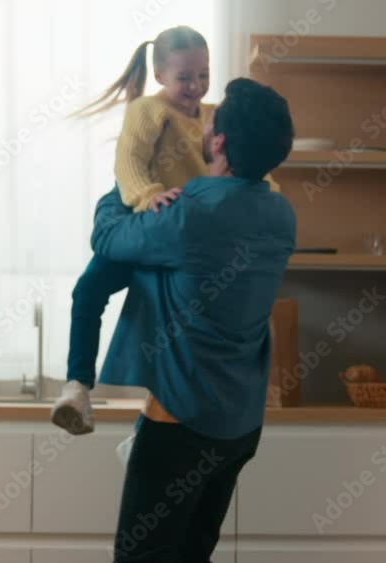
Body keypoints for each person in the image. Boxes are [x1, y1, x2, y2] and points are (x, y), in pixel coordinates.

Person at [92, 78, 296, 563]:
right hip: (239, 426)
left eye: (210, 119)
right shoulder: (281, 213)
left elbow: (108, 239)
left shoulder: (191, 214)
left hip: (180, 422)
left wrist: (124, 184)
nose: (201, 121)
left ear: (219, 142)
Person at [52, 26, 278, 435]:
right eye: (184, 77)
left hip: (180, 235)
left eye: (204, 75)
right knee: (88, 291)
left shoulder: (212, 118)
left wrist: (262, 195)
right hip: (146, 218)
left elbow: (244, 165)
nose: (196, 86)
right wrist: (148, 195)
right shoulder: (147, 111)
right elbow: (128, 162)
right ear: (159, 75)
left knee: (171, 323)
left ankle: (150, 425)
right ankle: (78, 385)